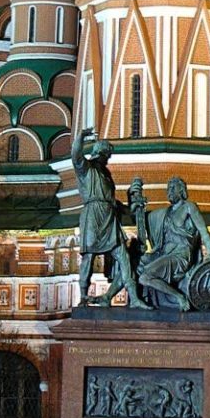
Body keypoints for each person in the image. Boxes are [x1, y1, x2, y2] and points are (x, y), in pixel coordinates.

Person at [70, 130, 147, 309]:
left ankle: (134, 298)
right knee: (88, 257)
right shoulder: (86, 169)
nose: (108, 159)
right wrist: (81, 137)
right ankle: (83, 297)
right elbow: (75, 155)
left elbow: (111, 202)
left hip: (109, 218)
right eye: (107, 156)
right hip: (93, 218)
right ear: (100, 153)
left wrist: (130, 209)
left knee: (123, 256)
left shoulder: (106, 174)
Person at [133, 175, 210, 311]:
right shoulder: (164, 213)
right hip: (162, 253)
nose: (169, 192)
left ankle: (179, 297)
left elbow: (203, 231)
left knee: (145, 277)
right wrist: (137, 205)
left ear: (182, 191)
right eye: (168, 189)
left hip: (180, 256)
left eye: (173, 188)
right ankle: (136, 300)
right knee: (133, 262)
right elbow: (143, 220)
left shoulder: (189, 207)